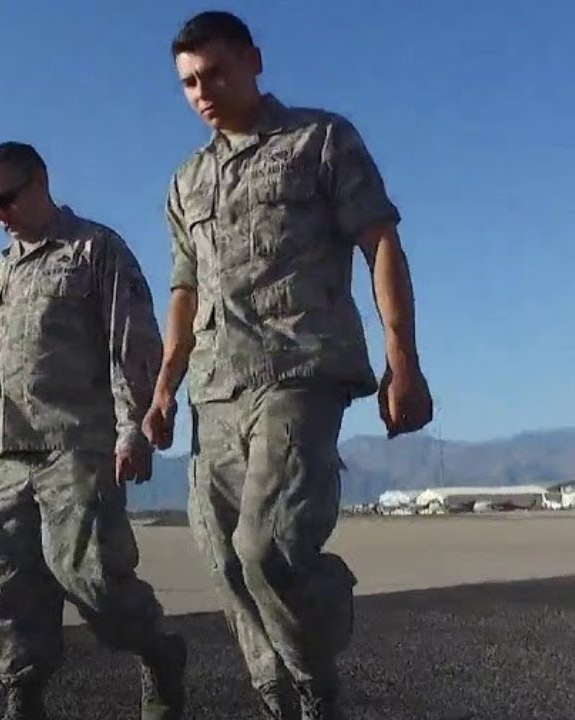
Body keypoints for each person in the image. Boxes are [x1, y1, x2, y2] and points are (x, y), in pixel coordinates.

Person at [144, 11, 435, 720]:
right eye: (187, 82)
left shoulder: (321, 139)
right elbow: (185, 291)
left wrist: (404, 357)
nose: (201, 91)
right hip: (214, 388)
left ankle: (320, 642)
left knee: (266, 549)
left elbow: (380, 242)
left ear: (253, 61)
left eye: (214, 72)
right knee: (225, 564)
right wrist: (163, 390)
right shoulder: (186, 182)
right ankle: (286, 695)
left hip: (300, 367)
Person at [0, 141, 188, 720]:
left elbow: (131, 344)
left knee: (95, 581)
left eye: (6, 198)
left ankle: (158, 651)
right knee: (8, 588)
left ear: (41, 183)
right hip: (4, 456)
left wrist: (133, 427)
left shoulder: (94, 250)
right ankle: (23, 694)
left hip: (76, 448)